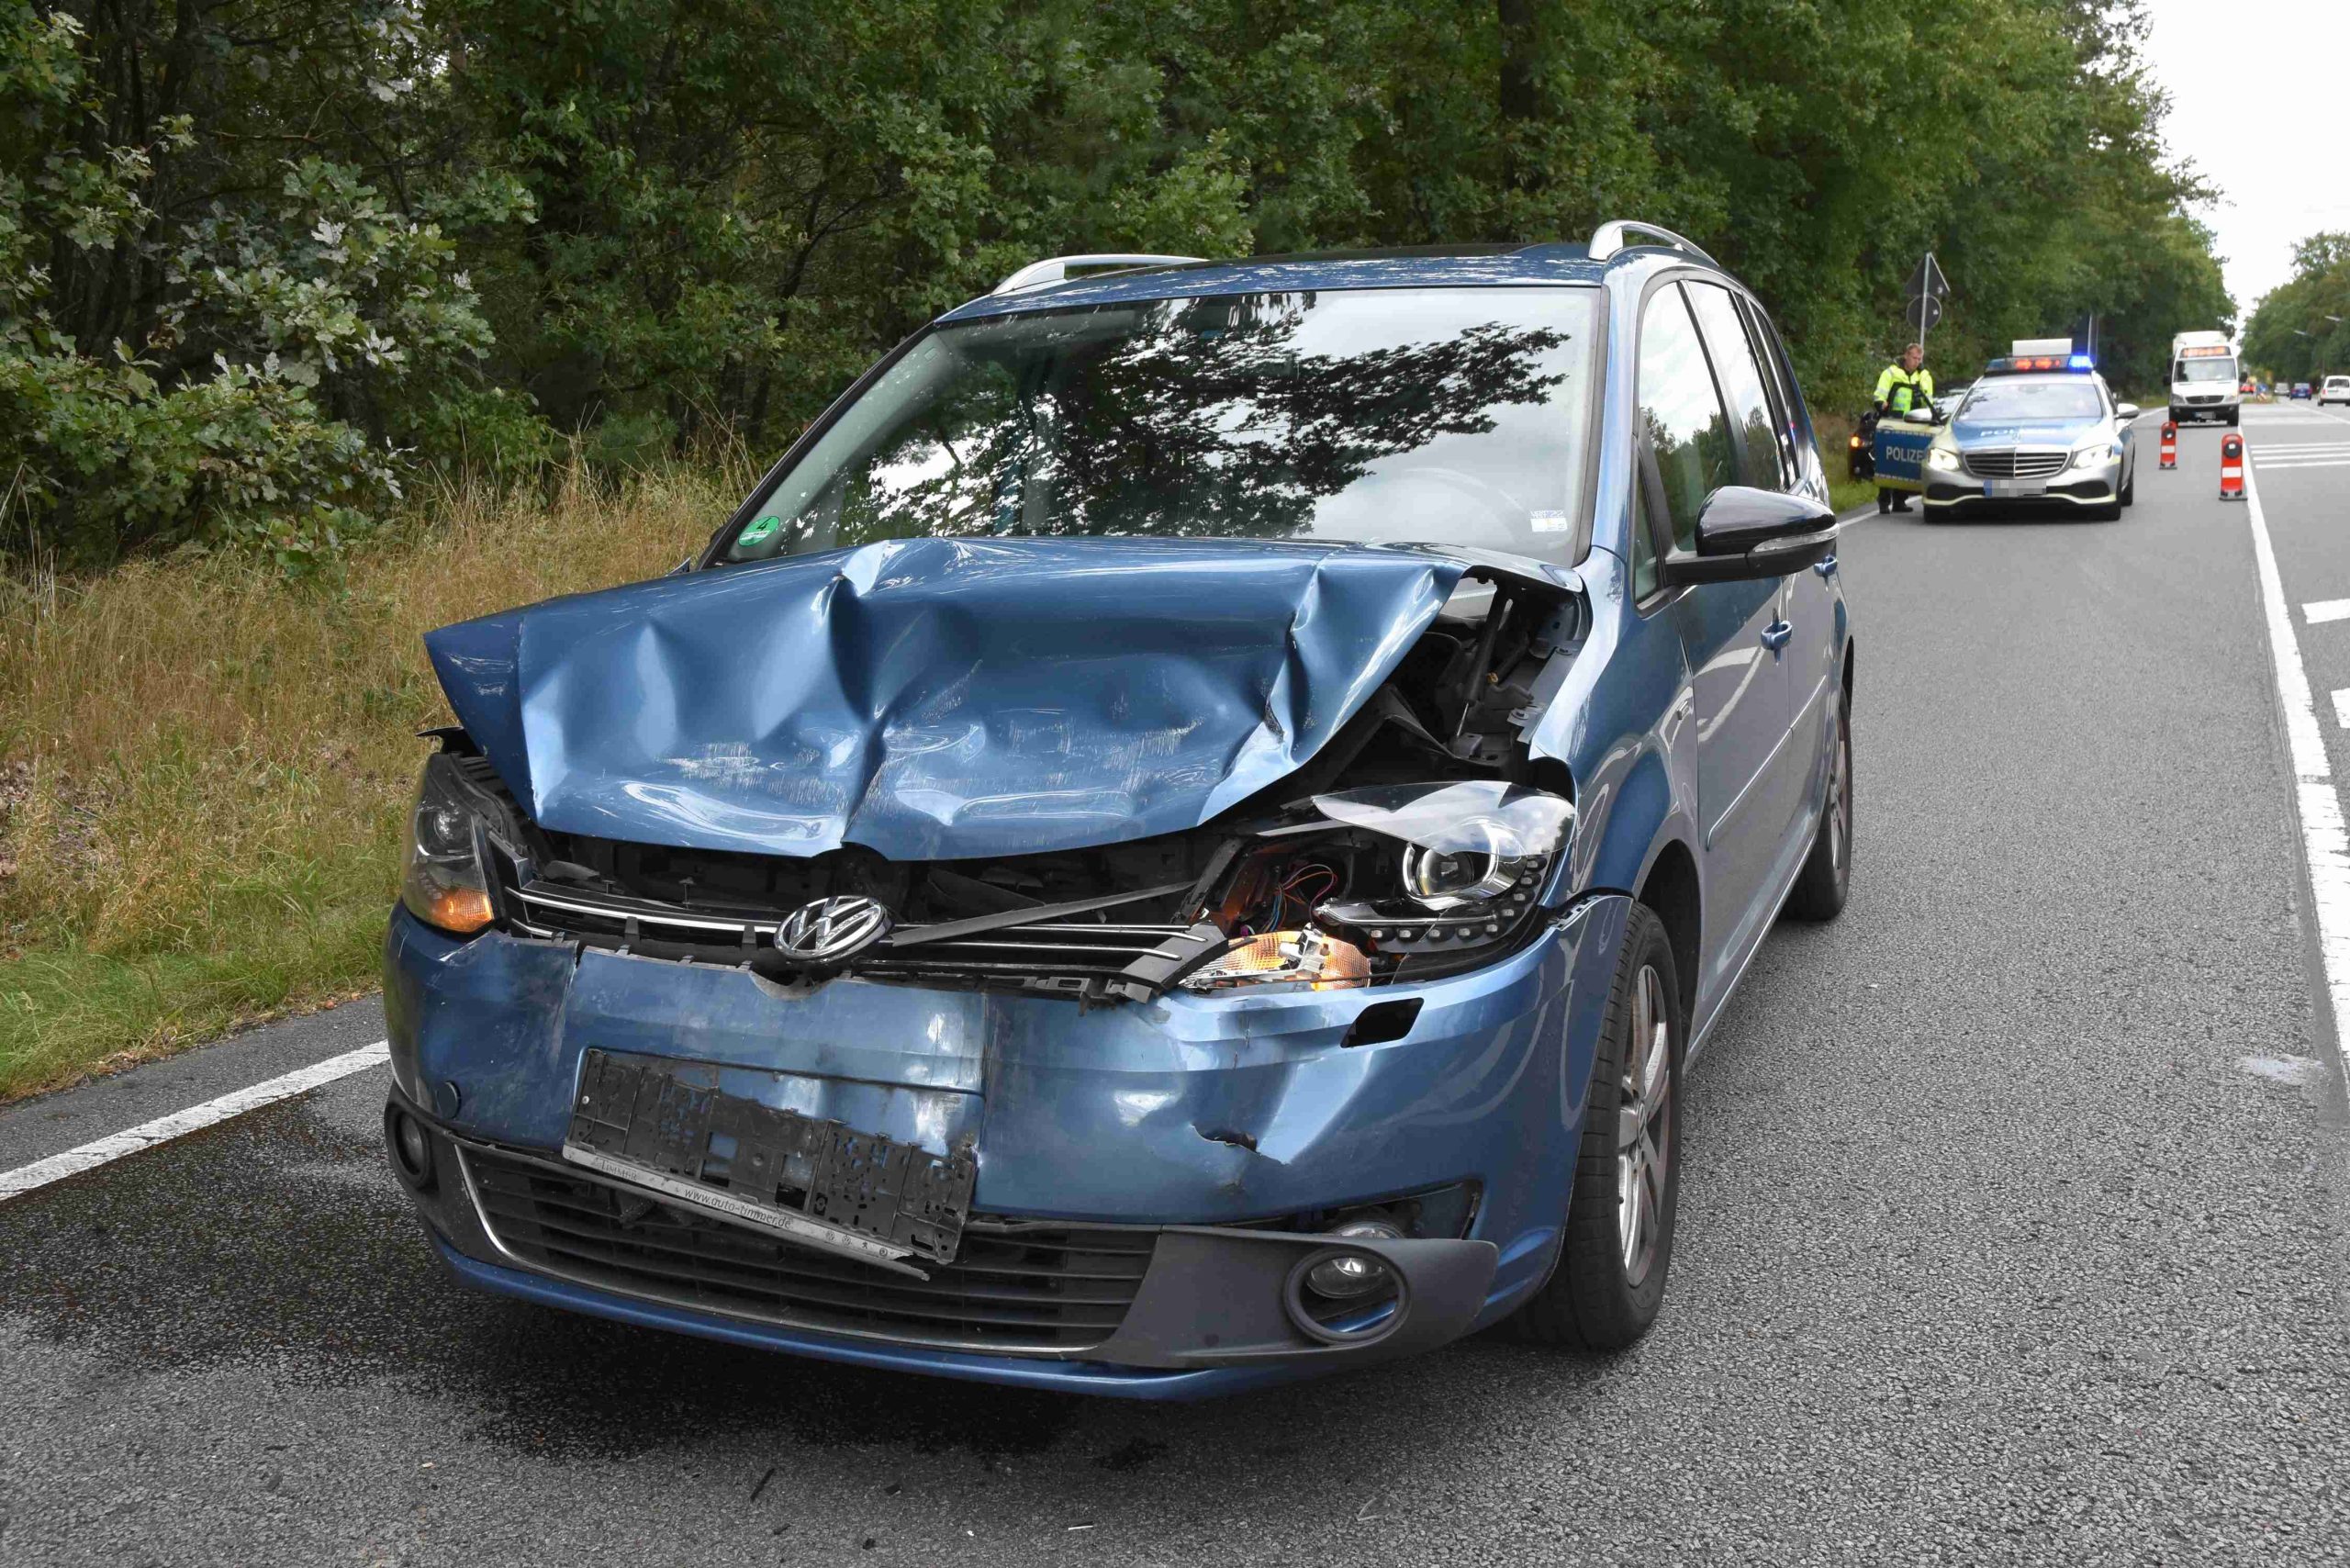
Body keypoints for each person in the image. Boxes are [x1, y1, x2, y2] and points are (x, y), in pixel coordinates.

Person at [1872, 342, 1935, 511]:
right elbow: (1879, 395)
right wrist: (1881, 404)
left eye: (1919, 359)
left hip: (1913, 425)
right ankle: (1884, 501)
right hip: (1892, 423)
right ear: (1906, 356)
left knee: (1904, 463)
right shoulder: (1891, 373)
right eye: (1914, 358)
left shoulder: (1924, 376)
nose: (1917, 361)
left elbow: (1929, 402)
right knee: (1888, 461)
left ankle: (1900, 501)